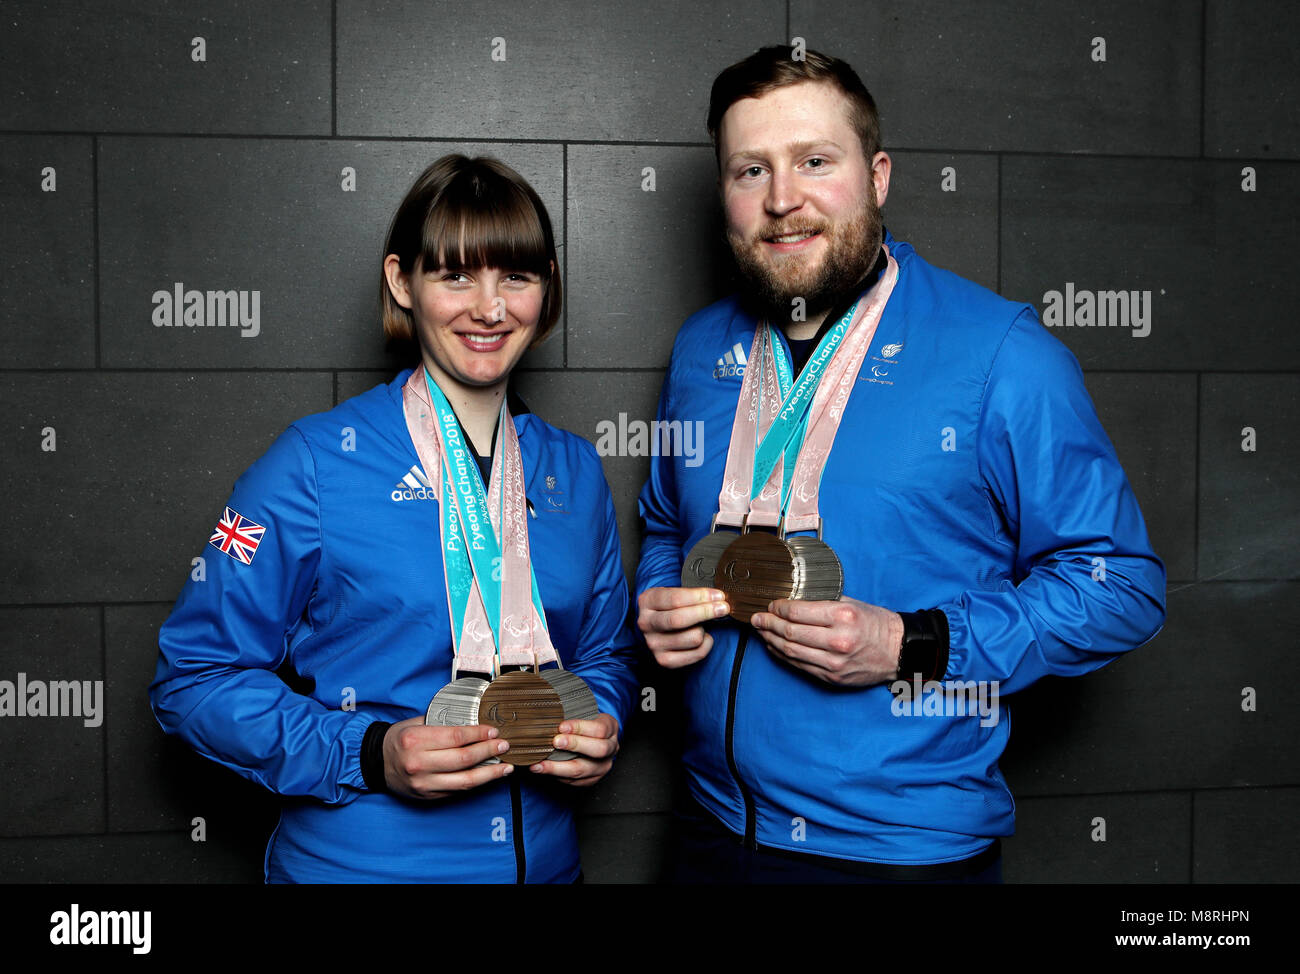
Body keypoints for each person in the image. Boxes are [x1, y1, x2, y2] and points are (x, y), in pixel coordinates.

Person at [634, 47, 1167, 883]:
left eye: (815, 161)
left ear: (877, 175)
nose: (782, 200)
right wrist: (659, 594)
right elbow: (668, 521)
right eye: (750, 171)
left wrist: (913, 643)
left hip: (897, 855)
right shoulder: (703, 348)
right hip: (708, 830)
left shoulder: (1001, 353)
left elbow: (1120, 586)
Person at [151, 154, 638, 883]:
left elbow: (607, 656)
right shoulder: (314, 462)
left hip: (547, 866)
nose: (489, 308)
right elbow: (194, 677)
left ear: (547, 289)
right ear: (400, 281)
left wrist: (601, 722)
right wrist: (367, 753)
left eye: (517, 276)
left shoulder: (573, 469)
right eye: (454, 275)